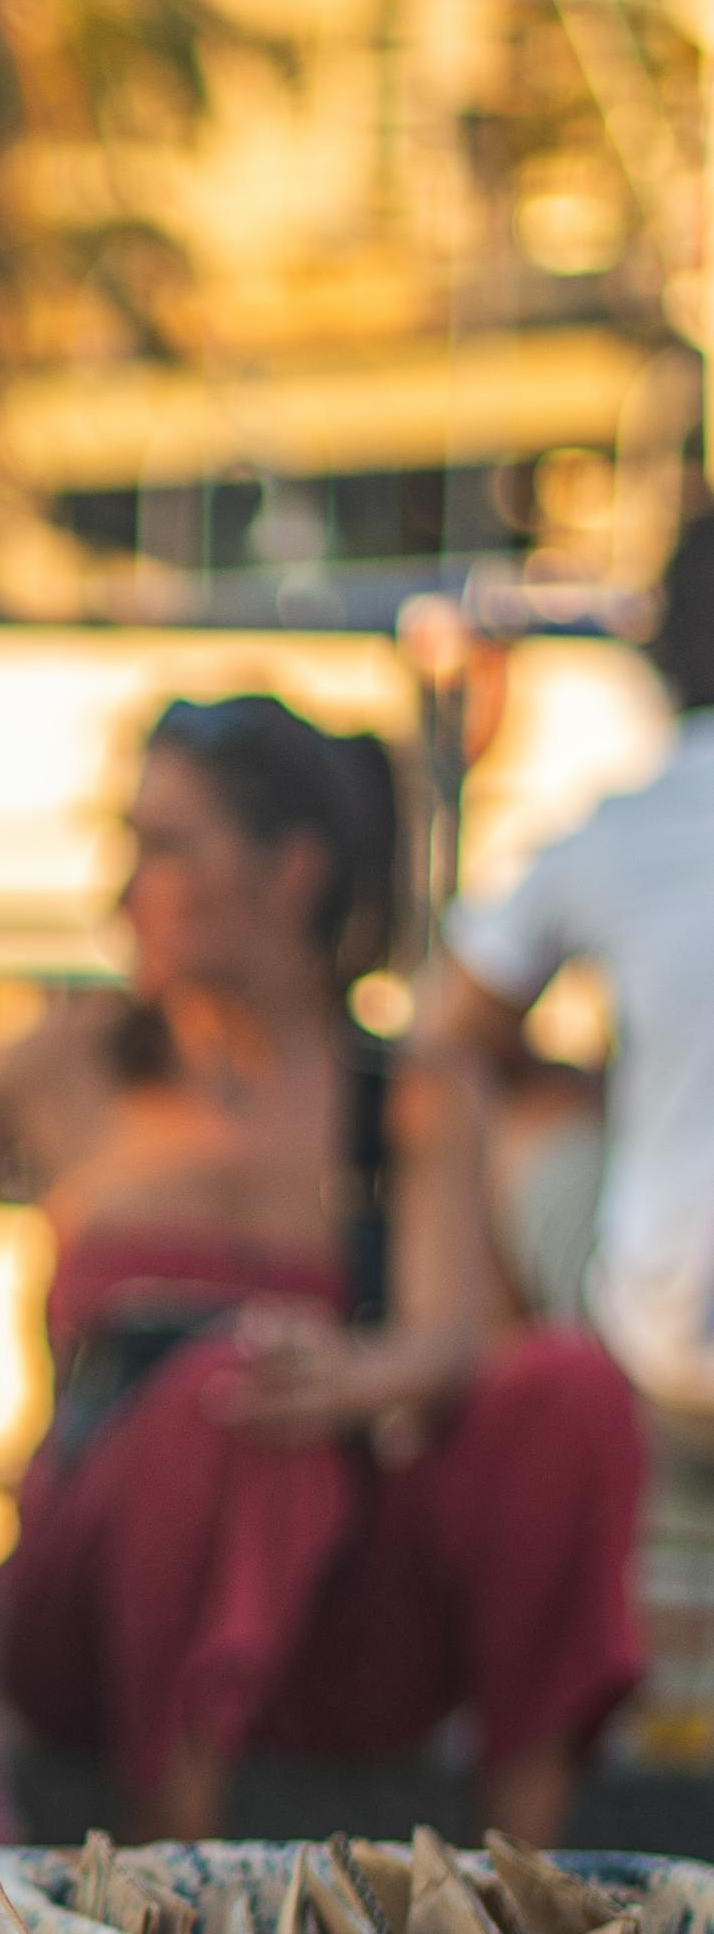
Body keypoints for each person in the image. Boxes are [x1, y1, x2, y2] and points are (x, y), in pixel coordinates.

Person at [0, 690, 642, 1837]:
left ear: (289, 871)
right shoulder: (62, 1063)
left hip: (327, 1604)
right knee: (226, 1395)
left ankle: (521, 1884)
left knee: (568, 1386)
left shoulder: (409, 1096)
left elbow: (446, 1341)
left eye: (163, 849)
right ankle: (177, 1881)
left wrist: (342, 1378)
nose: (120, 892)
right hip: (94, 1604)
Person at [430, 498, 714, 1433]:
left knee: (510, 1109)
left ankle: (506, 1403)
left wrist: (590, 1087)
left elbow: (442, 1037)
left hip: (672, 1355)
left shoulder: (632, 820)